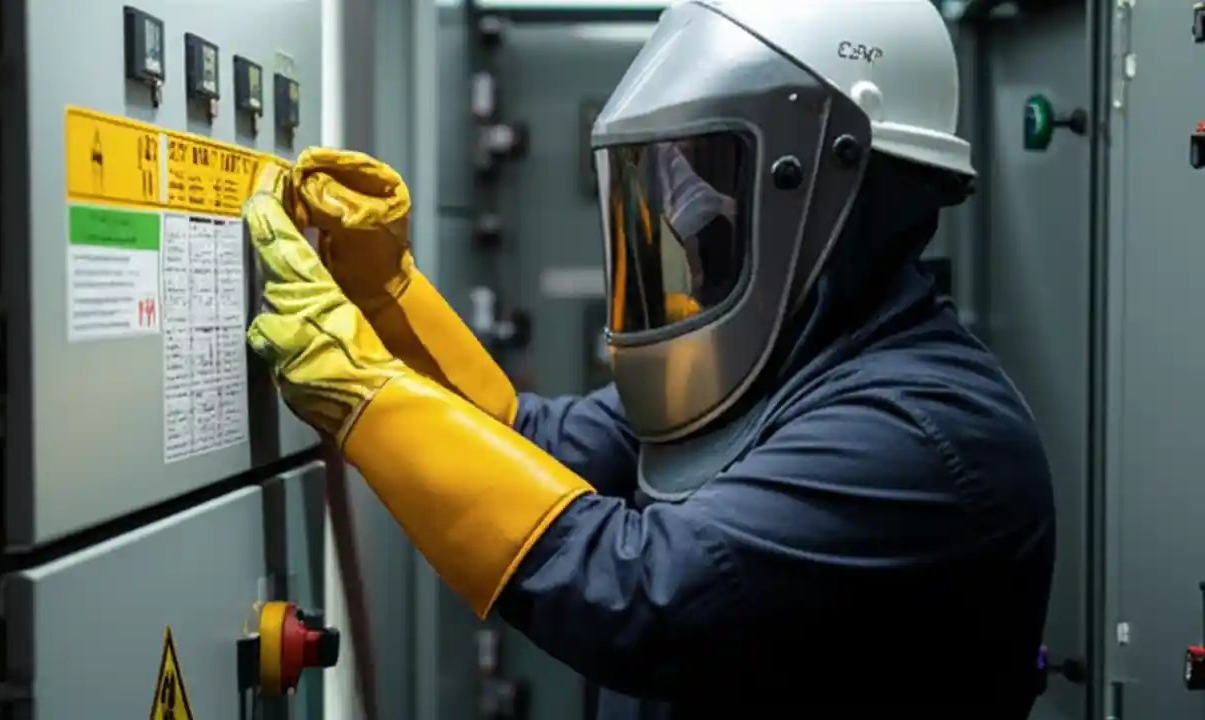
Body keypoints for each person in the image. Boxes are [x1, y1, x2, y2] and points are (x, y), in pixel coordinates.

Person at [243, 0, 1055, 716]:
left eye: (710, 185)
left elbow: (641, 592)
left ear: (829, 186)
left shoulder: (925, 433)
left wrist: (365, 396)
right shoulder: (773, 370)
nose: (686, 221)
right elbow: (529, 440)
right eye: (670, 186)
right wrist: (386, 297)